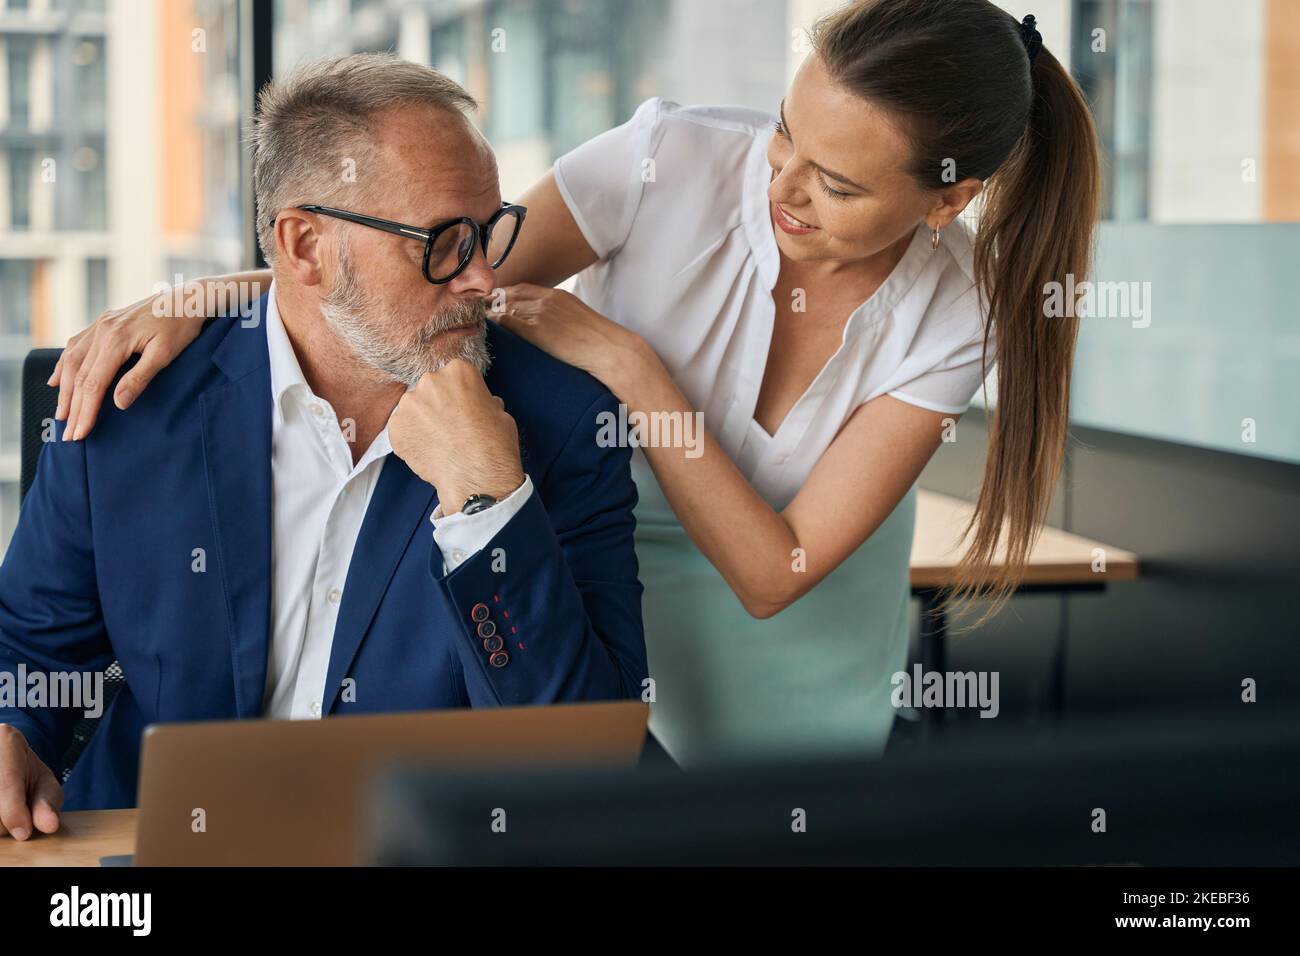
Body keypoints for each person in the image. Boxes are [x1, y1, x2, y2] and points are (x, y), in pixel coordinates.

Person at [47, 0, 1099, 768]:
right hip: (587, 577)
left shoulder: (949, 312)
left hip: (792, 635)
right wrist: (228, 292)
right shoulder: (669, 160)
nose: (781, 184)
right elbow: (435, 280)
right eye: (786, 131)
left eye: (836, 181)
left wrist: (628, 362)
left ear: (944, 202)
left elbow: (775, 571)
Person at [0, 54, 647, 831]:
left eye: (490, 231)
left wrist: (487, 503)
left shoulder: (564, 424)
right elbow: (30, 647)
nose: (481, 278)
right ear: (304, 246)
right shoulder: (131, 401)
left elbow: (586, 761)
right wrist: (13, 731)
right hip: (149, 853)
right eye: (444, 240)